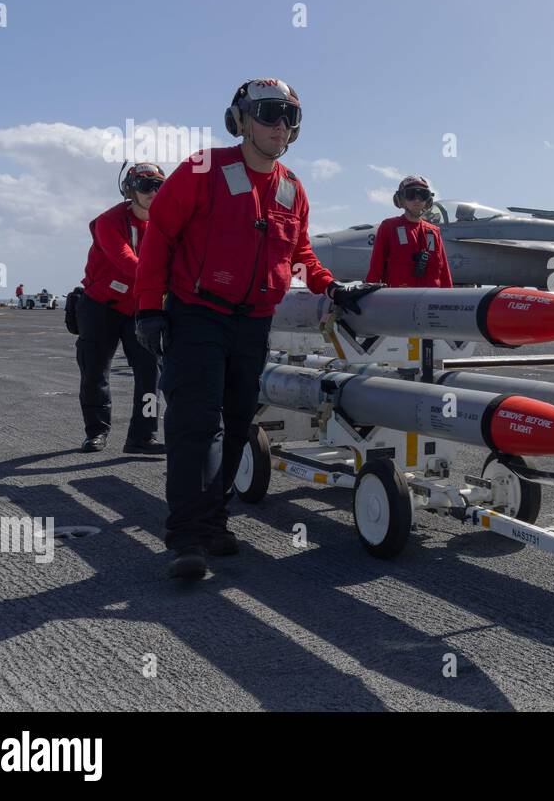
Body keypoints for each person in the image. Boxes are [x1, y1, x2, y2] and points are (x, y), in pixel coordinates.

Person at [134, 78, 378, 580]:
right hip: (197, 314)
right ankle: (187, 537)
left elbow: (300, 253)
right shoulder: (204, 168)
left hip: (253, 324)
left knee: (240, 422)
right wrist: (148, 308)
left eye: (290, 116)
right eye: (268, 113)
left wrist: (330, 287)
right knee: (197, 425)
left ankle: (216, 521)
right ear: (240, 119)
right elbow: (160, 234)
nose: (280, 125)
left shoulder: (292, 187)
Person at [75, 162, 166, 454]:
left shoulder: (166, 224)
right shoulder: (108, 222)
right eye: (145, 185)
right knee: (94, 372)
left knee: (150, 374)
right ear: (130, 189)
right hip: (101, 307)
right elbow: (127, 261)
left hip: (140, 307)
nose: (153, 192)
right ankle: (97, 432)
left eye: (158, 186)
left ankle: (143, 437)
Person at [364, 175, 452, 288]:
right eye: (411, 194)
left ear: (428, 200)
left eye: (422, 195)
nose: (417, 200)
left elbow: (444, 273)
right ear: (401, 200)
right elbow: (375, 269)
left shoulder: (434, 232)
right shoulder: (389, 227)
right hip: (400, 300)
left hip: (430, 301)